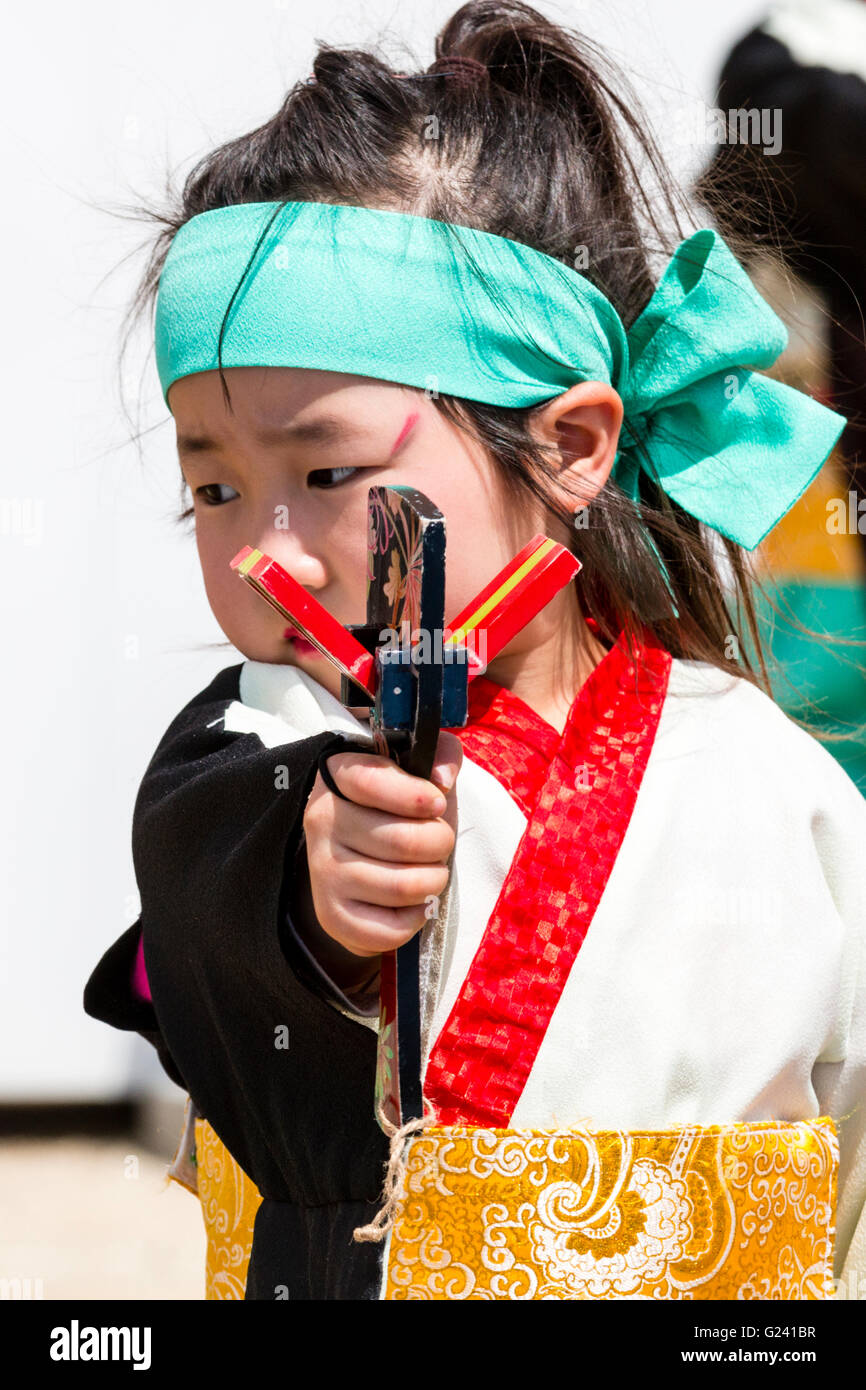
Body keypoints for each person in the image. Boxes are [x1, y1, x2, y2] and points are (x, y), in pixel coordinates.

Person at [84, 0, 866, 1301]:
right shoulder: (267, 753)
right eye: (211, 491)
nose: (264, 549)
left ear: (569, 443)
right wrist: (312, 898)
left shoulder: (778, 782)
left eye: (327, 468)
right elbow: (207, 886)